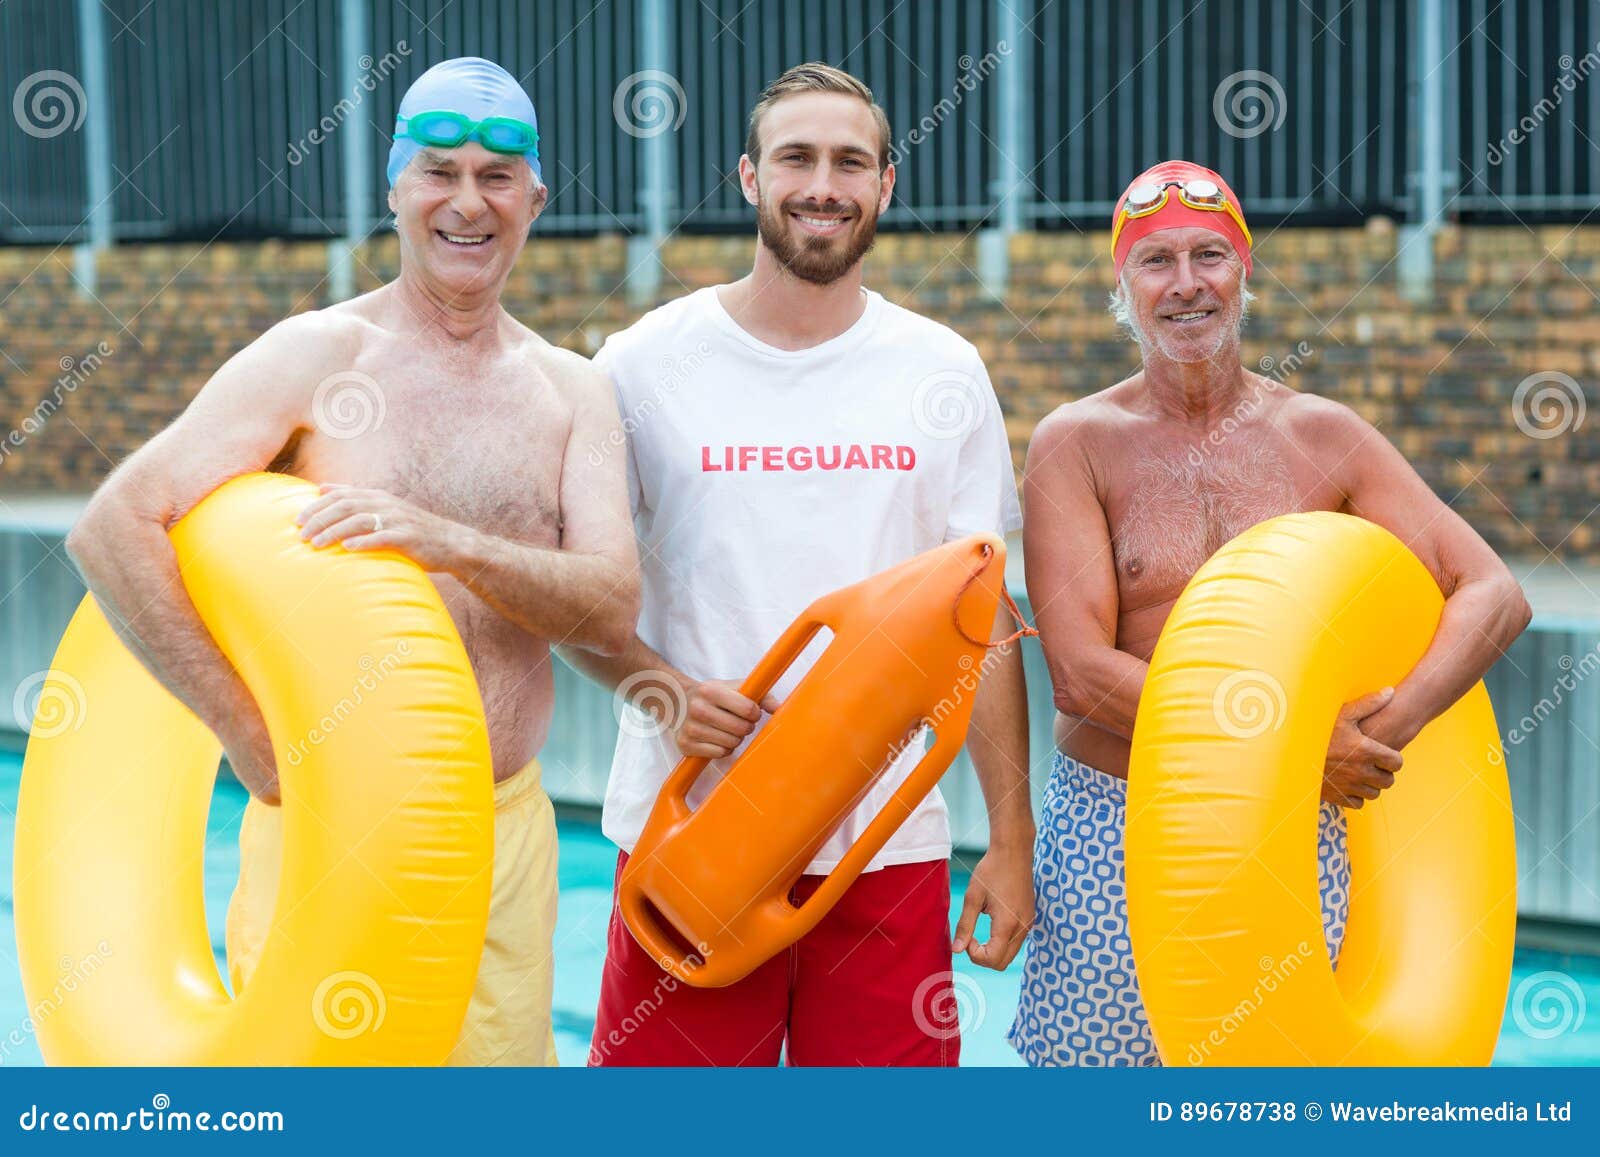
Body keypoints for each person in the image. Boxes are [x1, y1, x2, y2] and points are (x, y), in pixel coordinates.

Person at [64, 57, 640, 1066]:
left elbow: (607, 598)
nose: (468, 202)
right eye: (439, 172)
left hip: (502, 833)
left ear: (536, 197)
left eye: (497, 178)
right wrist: (241, 730)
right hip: (332, 829)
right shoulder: (316, 355)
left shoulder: (571, 392)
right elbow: (114, 527)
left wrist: (448, 543)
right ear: (394, 189)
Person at [1010, 159, 1533, 1067]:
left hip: (1290, 832)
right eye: (1156, 261)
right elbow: (1082, 674)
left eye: (1209, 255)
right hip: (1116, 830)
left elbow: (1492, 591)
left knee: (1278, 1096)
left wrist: (1381, 731)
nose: (1185, 284)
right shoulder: (1077, 444)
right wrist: (1290, 743)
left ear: (1244, 271)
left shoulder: (1323, 435)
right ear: (1121, 288)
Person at [563, 63, 1034, 1067]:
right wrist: (658, 687)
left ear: (885, 185)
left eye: (849, 161)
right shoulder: (640, 364)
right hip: (691, 838)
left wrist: (1008, 834)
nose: (823, 183)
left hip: (884, 848)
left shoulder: (941, 371)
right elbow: (573, 586)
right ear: (747, 176)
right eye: (796, 158)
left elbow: (982, 621)